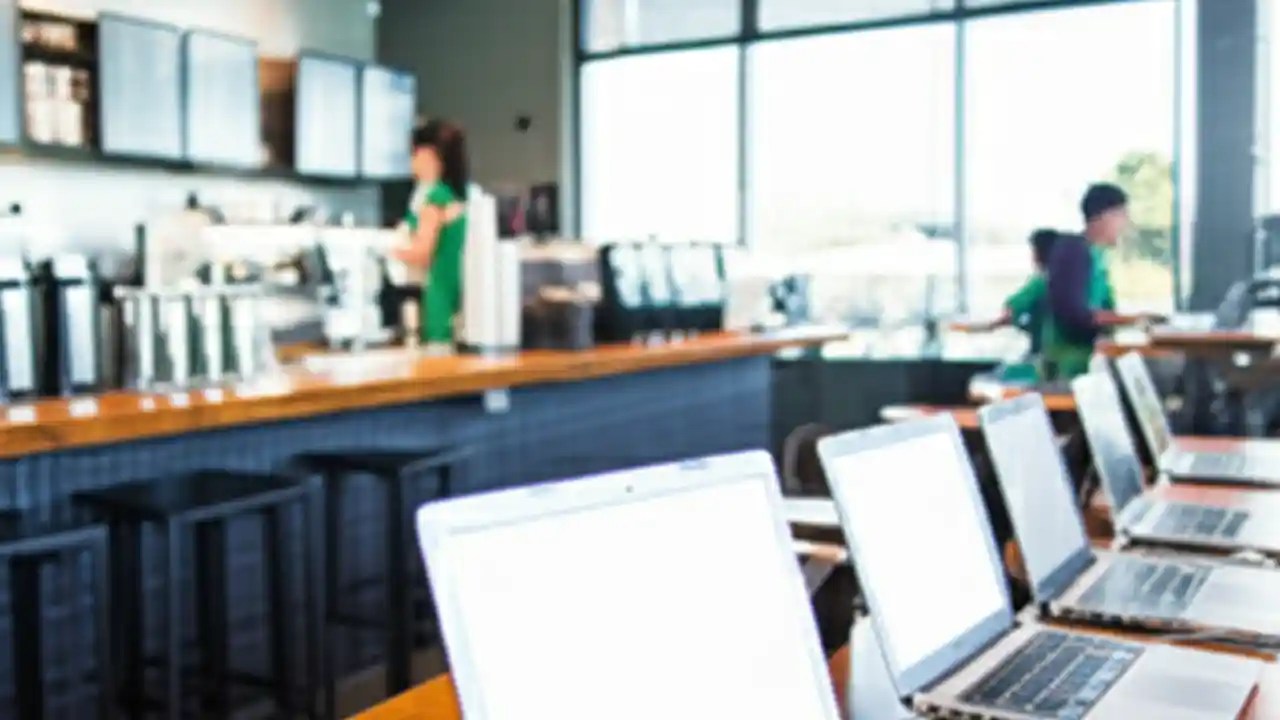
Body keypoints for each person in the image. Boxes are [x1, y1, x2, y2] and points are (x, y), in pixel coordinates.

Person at [1042, 183, 1154, 380]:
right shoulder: (1073, 252)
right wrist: (1135, 319)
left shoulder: (1098, 258)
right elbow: (1078, 315)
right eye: (1121, 215)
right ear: (1102, 216)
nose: (1124, 224)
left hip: (1092, 358)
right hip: (1070, 365)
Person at [394, 119, 469, 348]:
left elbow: (423, 252)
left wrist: (384, 251)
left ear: (428, 155)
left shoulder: (434, 199)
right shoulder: (455, 198)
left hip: (438, 296)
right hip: (457, 293)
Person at [954, 228, 1058, 355]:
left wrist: (963, 327)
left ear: (1037, 254)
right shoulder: (1070, 281)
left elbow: (1005, 317)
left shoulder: (1040, 283)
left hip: (1044, 356)